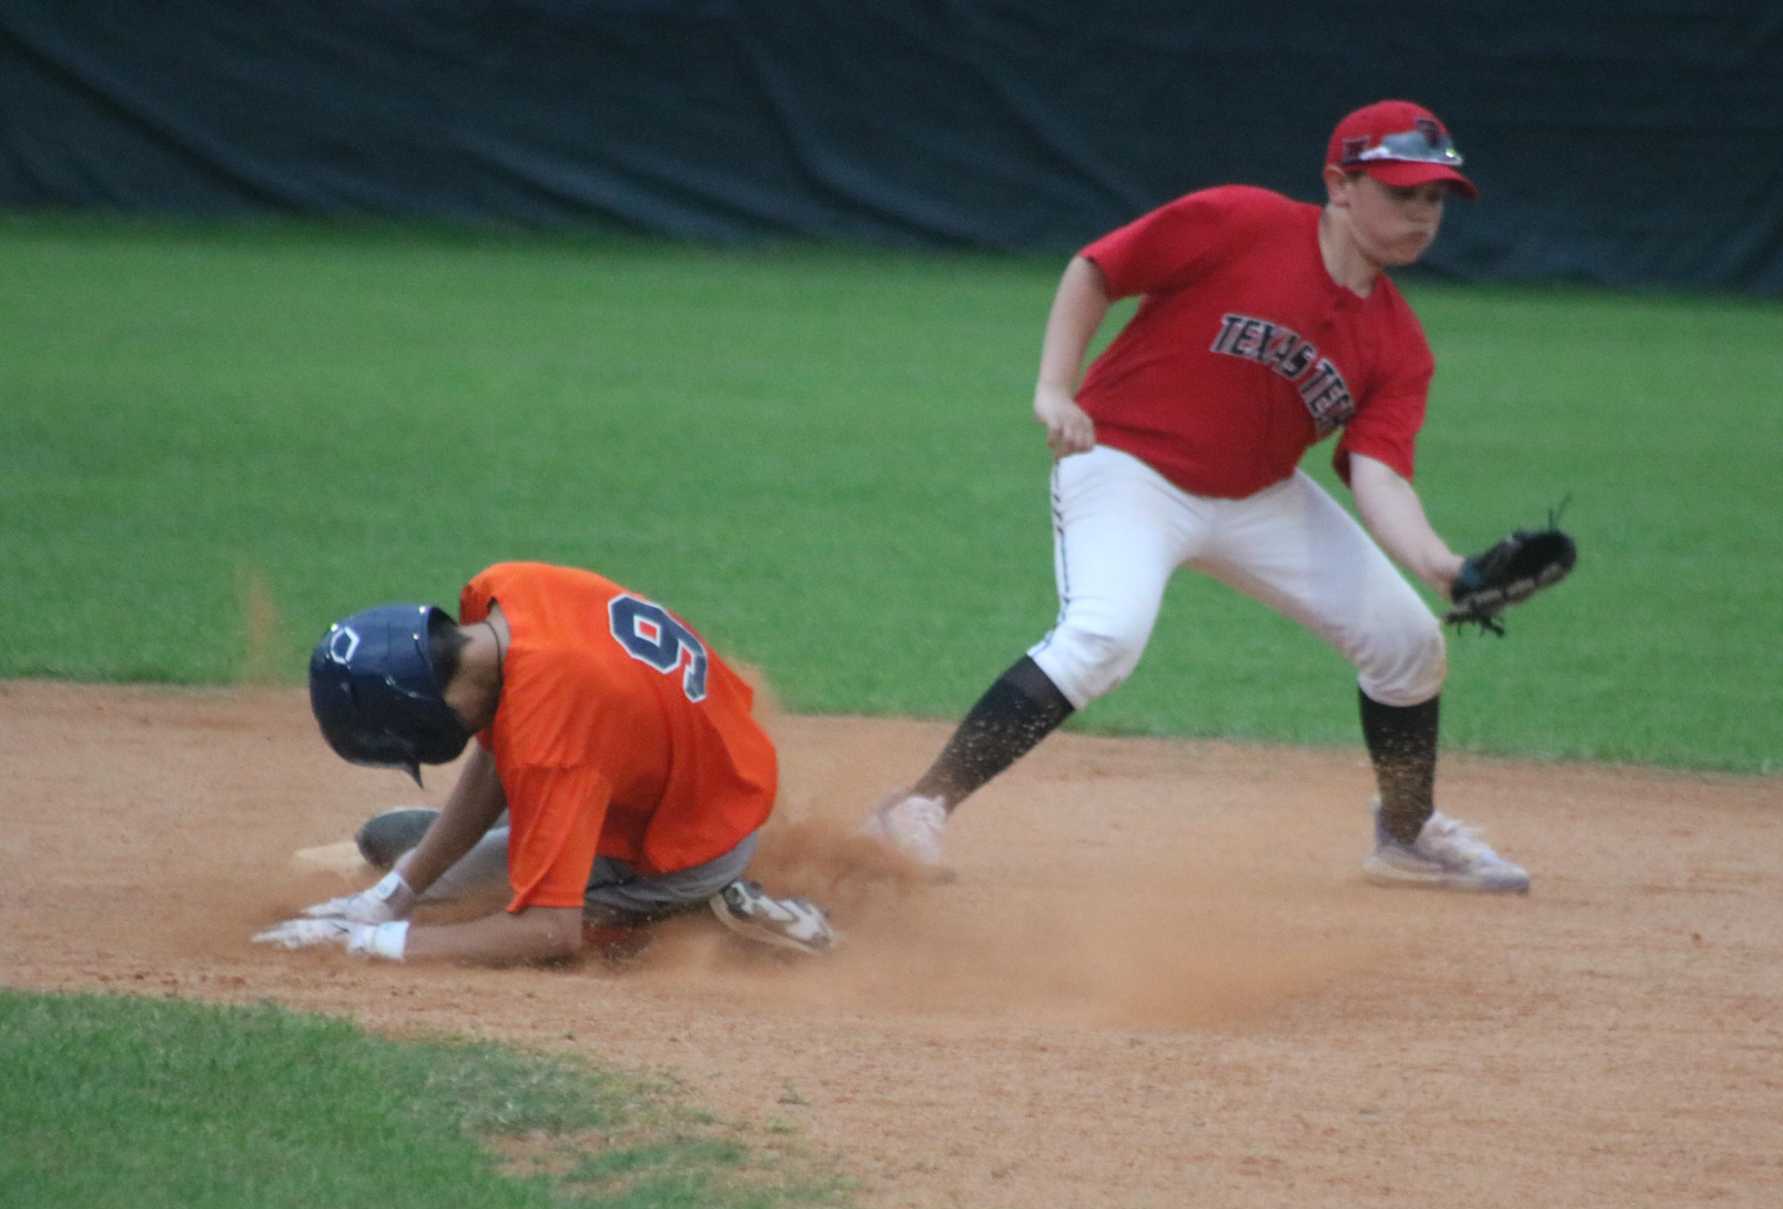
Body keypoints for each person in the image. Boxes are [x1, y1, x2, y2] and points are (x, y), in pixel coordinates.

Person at [867, 99, 1530, 894]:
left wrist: (1442, 564)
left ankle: (1407, 831)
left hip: (1259, 497)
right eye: (1400, 192)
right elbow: (1098, 269)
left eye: (1434, 198)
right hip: (1127, 465)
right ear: (1340, 184)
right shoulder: (1242, 222)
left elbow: (1378, 474)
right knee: (1104, 636)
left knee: (1409, 643)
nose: (1421, 214)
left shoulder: (1399, 345)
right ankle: (917, 805)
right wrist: (1054, 388)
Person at [253, 560, 838, 964]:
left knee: (475, 919)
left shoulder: (553, 738)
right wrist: (394, 891)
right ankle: (448, 866)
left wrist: (370, 942)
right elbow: (499, 751)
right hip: (690, 767)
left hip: (687, 843)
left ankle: (704, 911)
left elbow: (550, 930)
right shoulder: (502, 594)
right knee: (395, 852)